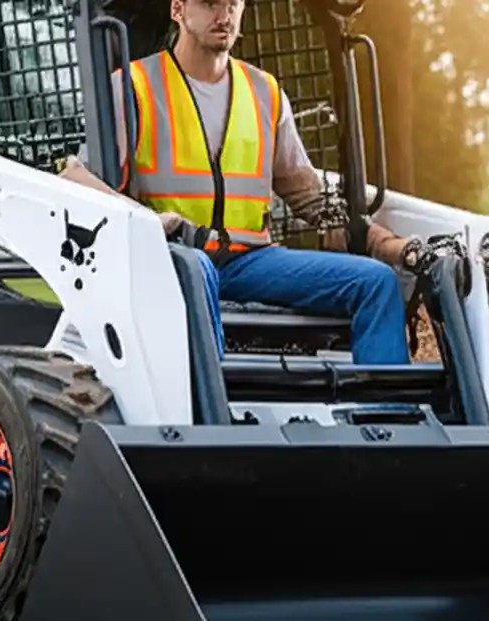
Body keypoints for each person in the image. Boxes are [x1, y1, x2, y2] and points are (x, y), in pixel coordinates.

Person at [61, 0, 425, 364]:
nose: (224, 15)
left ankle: (386, 417)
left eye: (233, 3)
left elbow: (315, 201)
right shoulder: (133, 86)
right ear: (177, 9)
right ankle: (212, 411)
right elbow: (74, 177)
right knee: (196, 269)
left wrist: (391, 247)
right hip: (170, 257)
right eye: (209, 4)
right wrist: (147, 221)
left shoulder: (264, 92)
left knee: (376, 283)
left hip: (251, 262)